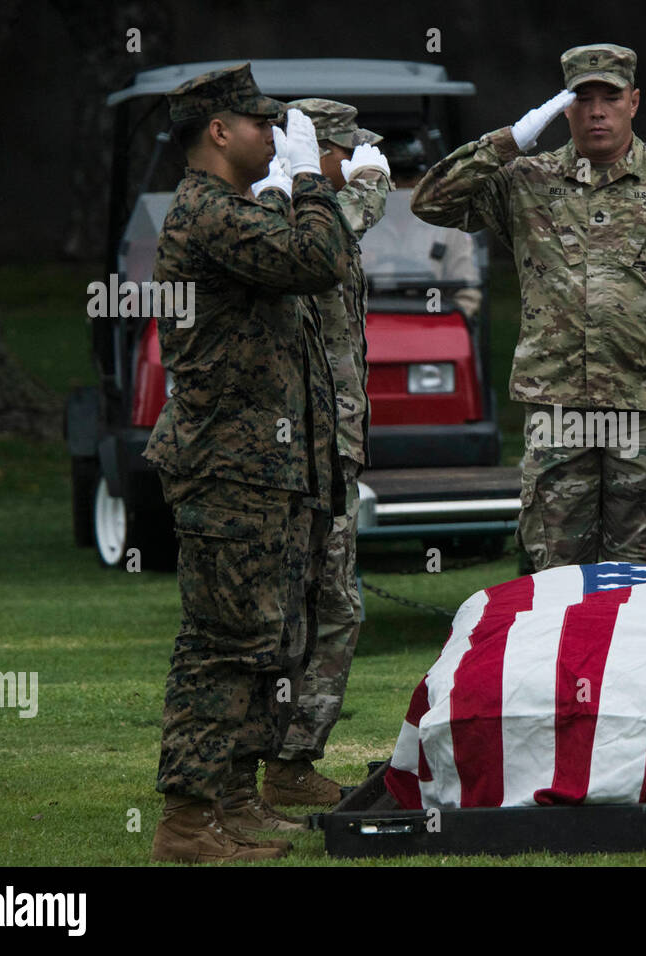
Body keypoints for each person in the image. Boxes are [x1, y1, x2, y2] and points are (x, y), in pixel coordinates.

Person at [411, 43, 646, 571]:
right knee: (555, 569)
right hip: (559, 409)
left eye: (610, 97)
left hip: (644, 408)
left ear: (634, 102)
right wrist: (510, 140)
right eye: (582, 98)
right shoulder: (527, 181)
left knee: (643, 574)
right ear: (564, 108)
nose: (597, 111)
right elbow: (432, 201)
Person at [144, 64, 352, 862]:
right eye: (261, 123)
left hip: (256, 467)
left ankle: (231, 799)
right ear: (219, 132)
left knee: (257, 639)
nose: (273, 133)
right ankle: (188, 823)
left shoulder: (226, 211)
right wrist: (309, 176)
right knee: (220, 643)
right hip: (225, 468)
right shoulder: (208, 216)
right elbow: (319, 256)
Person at [258, 98, 392, 807]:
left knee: (330, 607)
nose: (360, 166)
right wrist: (368, 188)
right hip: (295, 453)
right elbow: (324, 248)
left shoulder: (314, 217)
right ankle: (252, 769)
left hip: (331, 450)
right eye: (352, 155)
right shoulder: (283, 217)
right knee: (293, 612)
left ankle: (289, 763)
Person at [359, 134, 483, 321]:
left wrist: (451, 323)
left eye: (408, 178)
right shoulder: (359, 226)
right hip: (372, 322)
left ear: (422, 179)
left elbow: (467, 291)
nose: (399, 187)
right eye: (392, 177)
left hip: (432, 318)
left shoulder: (447, 226)